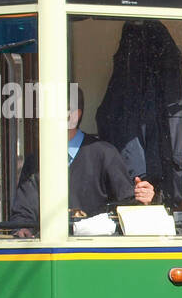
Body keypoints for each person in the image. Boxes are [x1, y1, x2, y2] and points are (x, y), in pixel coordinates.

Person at [11, 84, 154, 236]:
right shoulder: (36, 160)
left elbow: (128, 207)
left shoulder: (105, 153)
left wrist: (144, 199)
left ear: (74, 116)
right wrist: (22, 229)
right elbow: (23, 212)